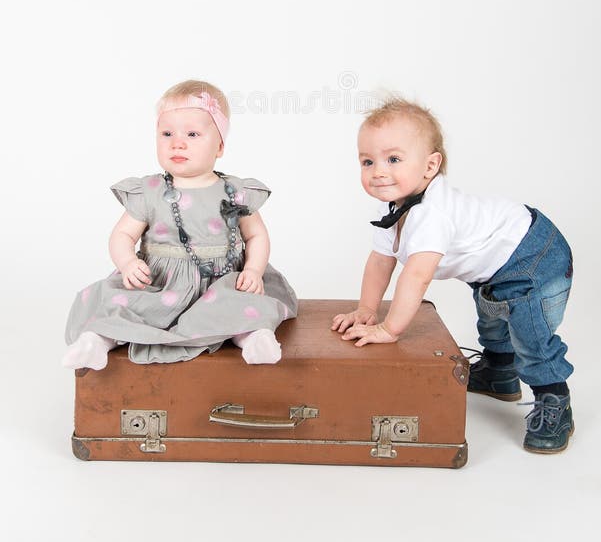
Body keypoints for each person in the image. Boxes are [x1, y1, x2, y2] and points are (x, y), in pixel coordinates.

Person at [331, 98, 574, 454]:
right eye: (368, 161)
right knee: (491, 317)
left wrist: (389, 329)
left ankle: (554, 397)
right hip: (498, 263)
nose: (378, 171)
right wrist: (367, 309)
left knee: (529, 332)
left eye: (393, 159)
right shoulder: (395, 207)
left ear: (430, 166)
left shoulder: (433, 214)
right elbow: (381, 260)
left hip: (534, 254)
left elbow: (416, 276)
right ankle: (499, 372)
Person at [63, 79, 297, 369]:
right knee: (118, 306)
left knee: (242, 307)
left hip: (221, 281)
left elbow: (256, 236)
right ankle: (95, 343)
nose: (178, 142)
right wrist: (127, 264)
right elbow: (122, 235)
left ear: (220, 145)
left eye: (193, 133)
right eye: (167, 133)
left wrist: (253, 270)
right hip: (160, 283)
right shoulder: (148, 191)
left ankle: (256, 339)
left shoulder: (234, 191)